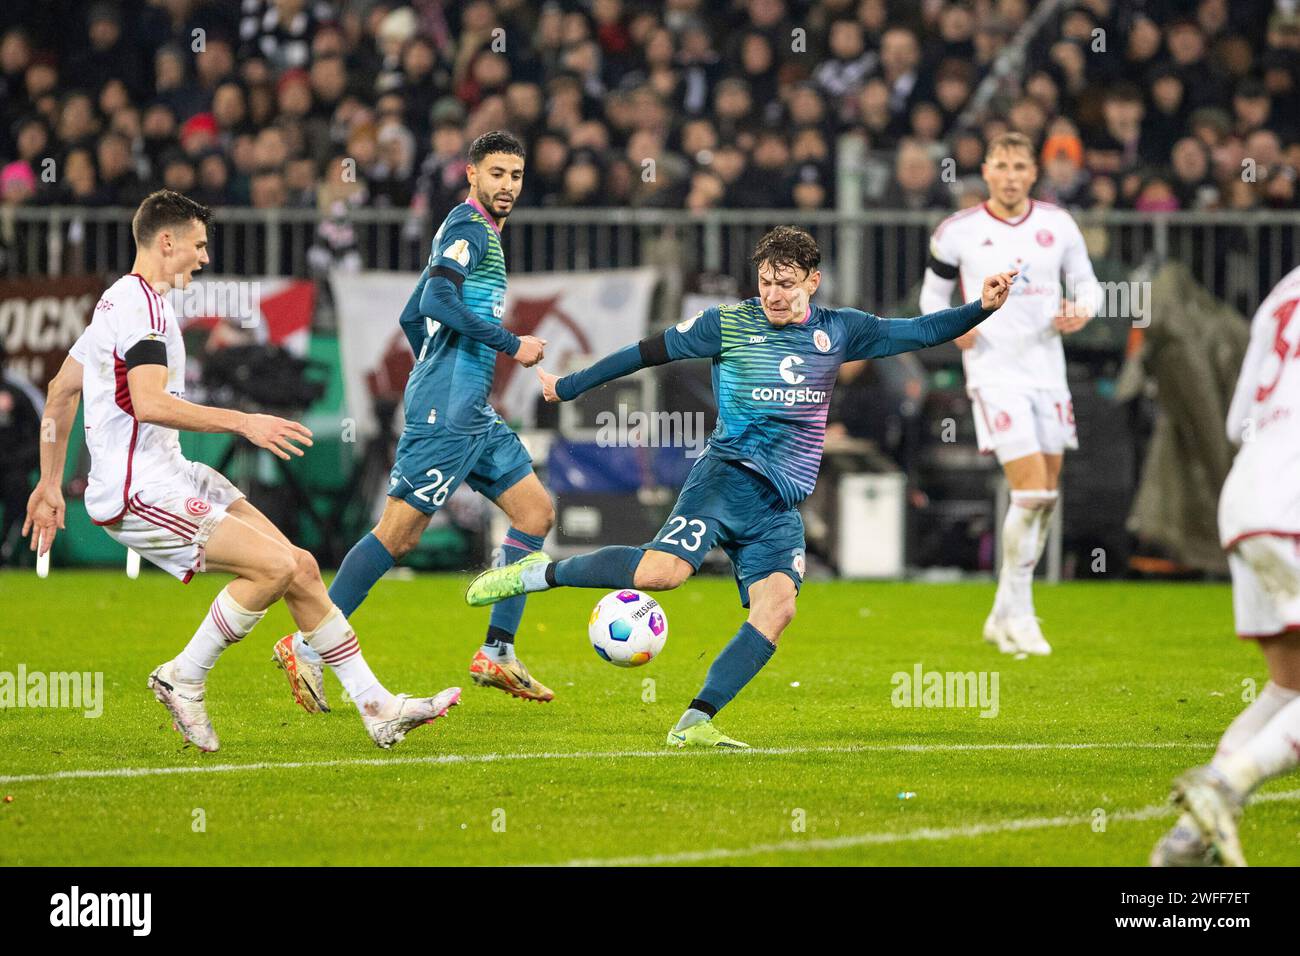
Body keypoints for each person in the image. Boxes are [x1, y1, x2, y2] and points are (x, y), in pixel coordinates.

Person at [466, 226, 1017, 747]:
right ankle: (532, 574)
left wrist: (981, 309)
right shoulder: (726, 324)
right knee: (663, 574)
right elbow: (643, 353)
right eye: (766, 282)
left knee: (776, 608)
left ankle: (693, 723)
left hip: (778, 504)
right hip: (727, 477)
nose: (773, 294)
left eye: (785, 282)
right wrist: (568, 385)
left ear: (811, 281)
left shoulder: (841, 330)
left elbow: (917, 331)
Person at [22, 189, 459, 752]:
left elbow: (60, 390)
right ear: (167, 241)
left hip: (173, 473)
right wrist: (244, 423)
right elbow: (149, 401)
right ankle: (184, 674)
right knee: (274, 566)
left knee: (300, 566)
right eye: (198, 246)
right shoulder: (141, 309)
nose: (205, 259)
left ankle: (378, 708)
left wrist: (51, 483)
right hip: (139, 491)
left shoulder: (118, 301)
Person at [276, 130, 555, 710]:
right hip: (448, 408)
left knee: (535, 511)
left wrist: (436, 356)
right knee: (398, 535)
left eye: (516, 176)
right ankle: (306, 646)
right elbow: (433, 303)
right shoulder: (468, 226)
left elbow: (412, 311)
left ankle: (497, 652)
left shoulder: (482, 233)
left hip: (470, 408)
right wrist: (507, 343)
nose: (507, 185)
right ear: (472, 174)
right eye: (497, 173)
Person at [918, 131, 1101, 656]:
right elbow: (932, 295)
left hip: (1048, 370)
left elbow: (1087, 285)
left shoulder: (1058, 224)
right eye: (1002, 165)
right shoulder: (958, 231)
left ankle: (1002, 609)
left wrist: (1081, 310)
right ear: (989, 171)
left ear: (1032, 173)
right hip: (994, 371)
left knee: (1045, 499)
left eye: (1021, 165)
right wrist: (954, 327)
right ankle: (1020, 613)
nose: (1012, 175)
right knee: (1033, 493)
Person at [1151, 264, 1300, 867]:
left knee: (1289, 685)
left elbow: (1240, 418)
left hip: (1249, 492)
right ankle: (1227, 784)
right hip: (1292, 497)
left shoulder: (1284, 288)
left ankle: (1190, 839)